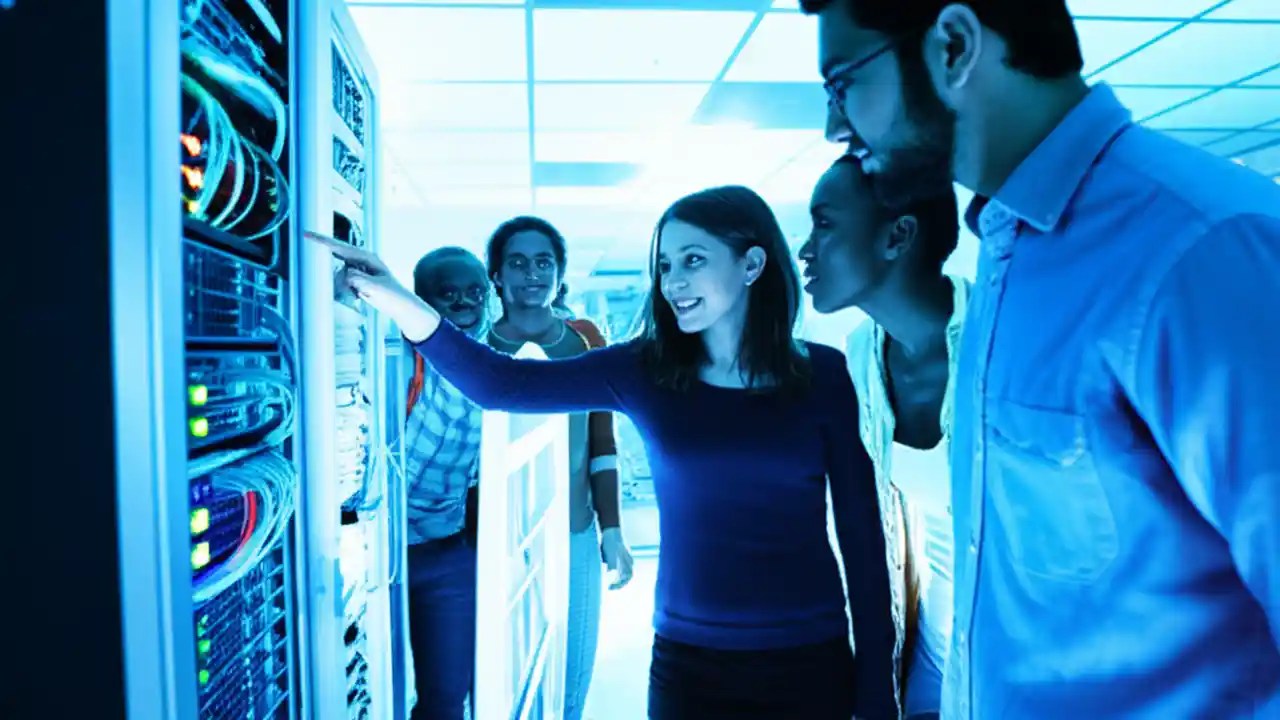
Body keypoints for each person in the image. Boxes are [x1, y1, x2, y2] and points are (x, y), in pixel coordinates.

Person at [803, 1, 1280, 718]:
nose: (835, 127)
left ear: (955, 45)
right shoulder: (1008, 252)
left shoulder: (1201, 247)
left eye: (842, 85)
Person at [308, 185, 899, 720]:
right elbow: (502, 385)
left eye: (693, 261)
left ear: (751, 264)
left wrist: (878, 690)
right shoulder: (645, 369)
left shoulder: (824, 376)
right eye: (664, 265)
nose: (672, 282)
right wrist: (393, 297)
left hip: (807, 658)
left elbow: (863, 539)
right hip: (689, 664)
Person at [800, 154, 963, 720]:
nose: (805, 249)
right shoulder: (862, 357)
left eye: (824, 224)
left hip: (1038, 642)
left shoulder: (1005, 338)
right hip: (940, 635)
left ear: (898, 235)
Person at [482, 215, 633, 720]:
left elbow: (601, 441)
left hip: (574, 532)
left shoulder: (585, 338)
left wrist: (611, 529)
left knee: (571, 676)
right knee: (505, 683)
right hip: (498, 542)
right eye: (517, 262)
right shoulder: (477, 346)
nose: (531, 273)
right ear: (497, 275)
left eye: (543, 261)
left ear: (559, 272)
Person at [401, 247, 491, 720]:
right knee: (372, 686)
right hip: (384, 549)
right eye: (447, 292)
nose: (463, 302)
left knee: (446, 700)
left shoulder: (492, 366)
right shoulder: (393, 356)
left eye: (474, 291)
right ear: (421, 298)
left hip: (449, 552)